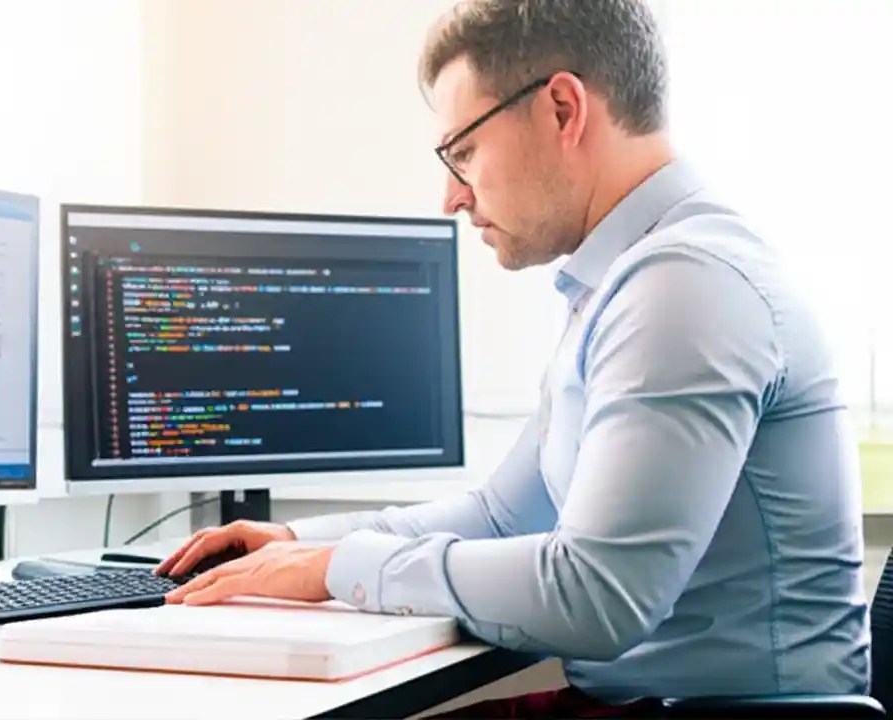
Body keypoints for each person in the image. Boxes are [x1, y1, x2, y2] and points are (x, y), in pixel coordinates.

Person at [156, 0, 872, 715]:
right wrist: (294, 543)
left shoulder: (685, 285)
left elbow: (596, 596)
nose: (451, 197)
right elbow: (503, 515)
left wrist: (341, 567)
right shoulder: (626, 281)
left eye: (462, 152)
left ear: (563, 109)